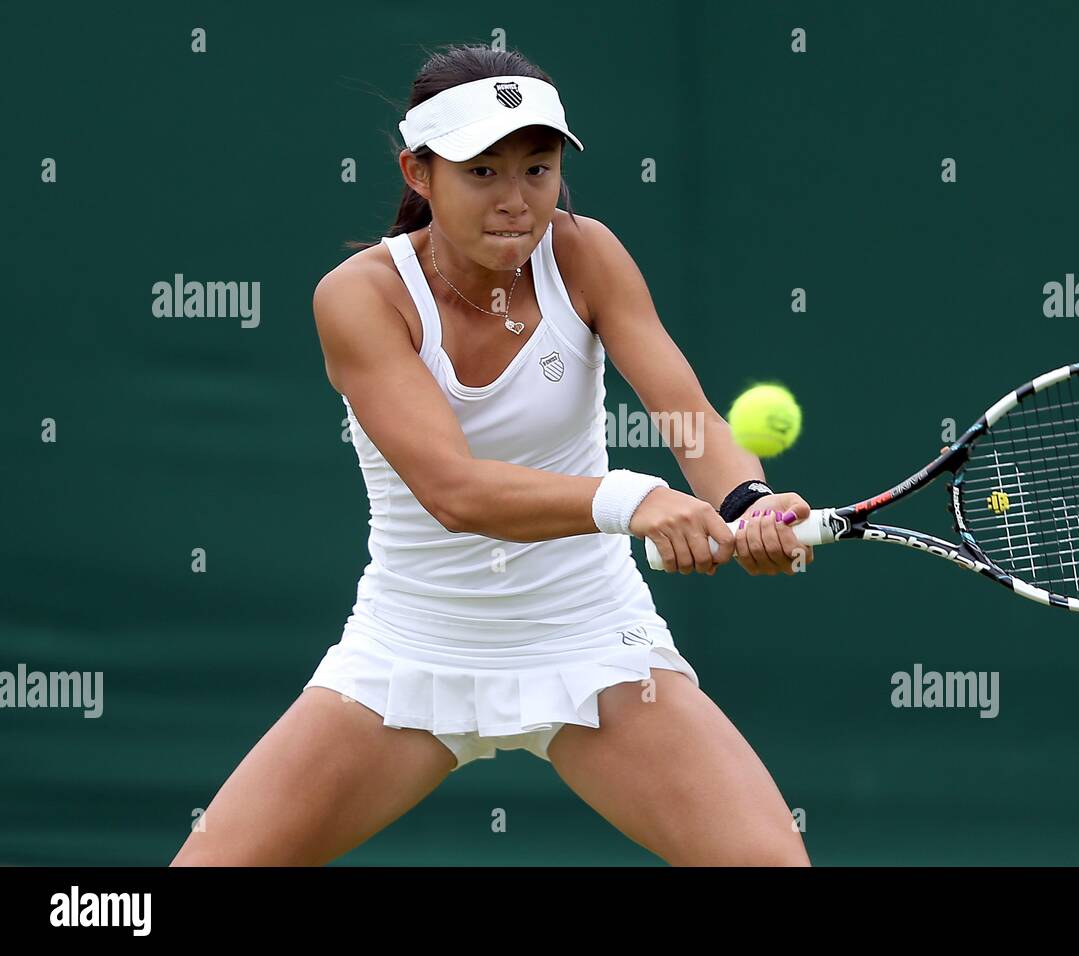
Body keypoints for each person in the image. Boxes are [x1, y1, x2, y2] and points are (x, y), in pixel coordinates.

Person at [170, 43, 814, 867]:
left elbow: (686, 418)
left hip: (593, 644)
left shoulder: (585, 254)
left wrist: (743, 502)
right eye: (484, 174)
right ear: (417, 172)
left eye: (538, 170)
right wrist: (633, 500)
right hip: (409, 654)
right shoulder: (360, 297)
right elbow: (453, 491)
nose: (517, 202)